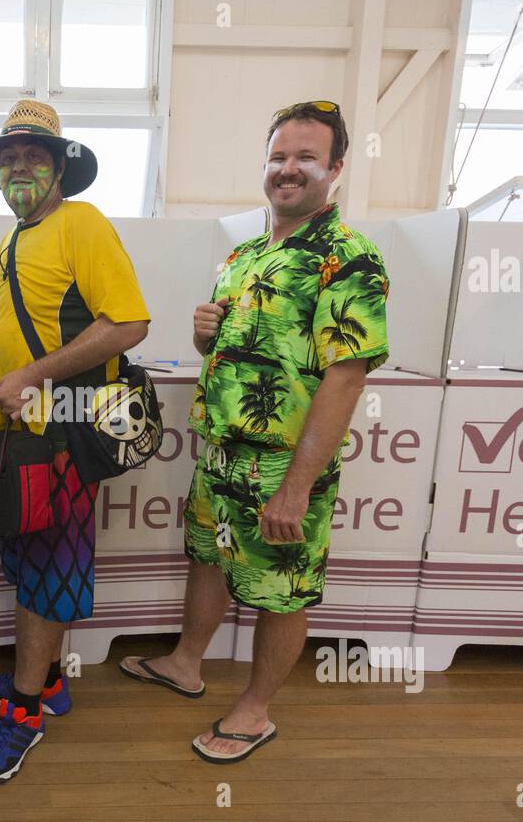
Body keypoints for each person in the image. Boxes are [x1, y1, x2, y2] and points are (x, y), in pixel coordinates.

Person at [120, 101, 390, 763]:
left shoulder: (348, 258)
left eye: (305, 157)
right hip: (221, 455)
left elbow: (346, 377)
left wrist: (297, 486)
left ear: (336, 168)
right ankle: (187, 663)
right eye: (277, 157)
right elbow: (230, 349)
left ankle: (255, 709)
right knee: (208, 560)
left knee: (282, 590)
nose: (288, 169)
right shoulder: (243, 255)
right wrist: (200, 333)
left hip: (282, 464)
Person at [0, 100, 150, 783]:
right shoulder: (16, 236)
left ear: (59, 167)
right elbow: (11, 327)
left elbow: (128, 323)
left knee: (49, 568)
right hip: (20, 430)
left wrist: (33, 374)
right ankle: (48, 680)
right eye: (9, 158)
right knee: (28, 557)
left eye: (34, 155)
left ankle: (24, 714)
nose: (19, 166)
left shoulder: (82, 223)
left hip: (63, 431)